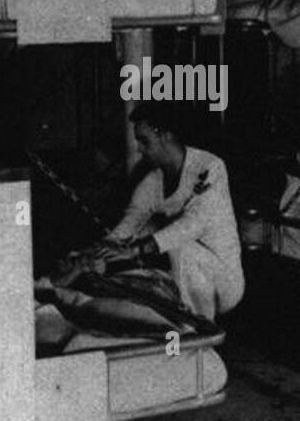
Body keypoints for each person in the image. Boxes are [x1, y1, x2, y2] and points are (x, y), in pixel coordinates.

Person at [92, 103, 244, 320]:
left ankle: (199, 336)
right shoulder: (153, 181)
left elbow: (192, 225)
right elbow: (131, 221)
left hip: (225, 282)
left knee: (180, 247)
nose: (139, 149)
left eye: (144, 141)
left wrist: (136, 250)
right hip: (188, 277)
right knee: (149, 241)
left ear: (164, 135)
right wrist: (101, 250)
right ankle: (180, 327)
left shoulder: (210, 166)